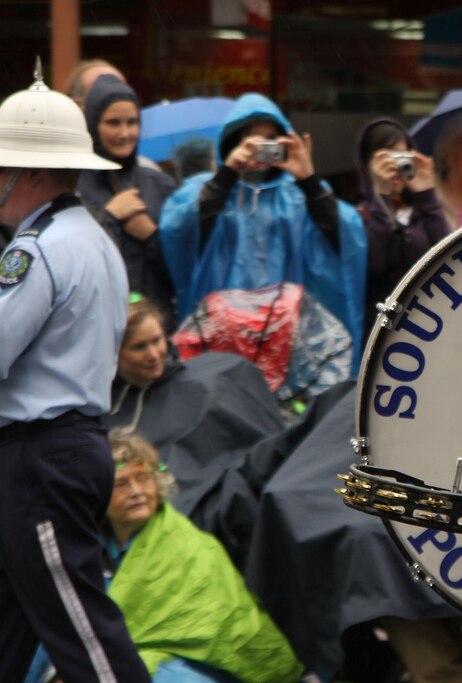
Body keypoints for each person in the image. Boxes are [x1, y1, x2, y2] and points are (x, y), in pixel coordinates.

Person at [0, 69, 150, 681]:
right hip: (66, 446)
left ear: (28, 172)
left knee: (82, 629)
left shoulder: (36, 248)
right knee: (14, 623)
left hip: (41, 454)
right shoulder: (91, 236)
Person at [159, 93, 367, 370]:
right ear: (233, 141)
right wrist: (228, 173)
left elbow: (347, 241)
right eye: (251, 139)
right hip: (222, 341)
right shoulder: (207, 189)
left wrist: (308, 180)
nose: (262, 147)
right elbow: (178, 232)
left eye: (271, 138)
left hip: (290, 343)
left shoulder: (299, 194)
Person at [103, 431, 304, 681]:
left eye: (143, 478)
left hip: (204, 669)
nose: (136, 491)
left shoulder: (188, 546)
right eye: (121, 483)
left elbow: (224, 626)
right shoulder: (87, 550)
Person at [104, 297, 286, 562]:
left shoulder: (214, 380)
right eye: (139, 347)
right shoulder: (97, 409)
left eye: (157, 341)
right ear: (114, 353)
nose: (154, 354)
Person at [78, 73, 177, 324]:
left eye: (132, 122)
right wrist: (108, 218)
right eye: (113, 123)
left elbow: (182, 271)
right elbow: (68, 260)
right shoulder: (72, 185)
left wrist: (152, 236)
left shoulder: (160, 184)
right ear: (92, 124)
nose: (124, 133)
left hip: (154, 332)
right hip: (95, 324)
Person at [355, 118, 450, 340]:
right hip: (379, 331)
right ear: (366, 163)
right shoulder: (358, 216)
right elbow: (375, 262)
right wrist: (381, 196)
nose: (394, 167)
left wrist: (426, 193)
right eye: (385, 158)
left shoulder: (423, 212)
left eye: (401, 156)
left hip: (428, 326)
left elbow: (449, 257)